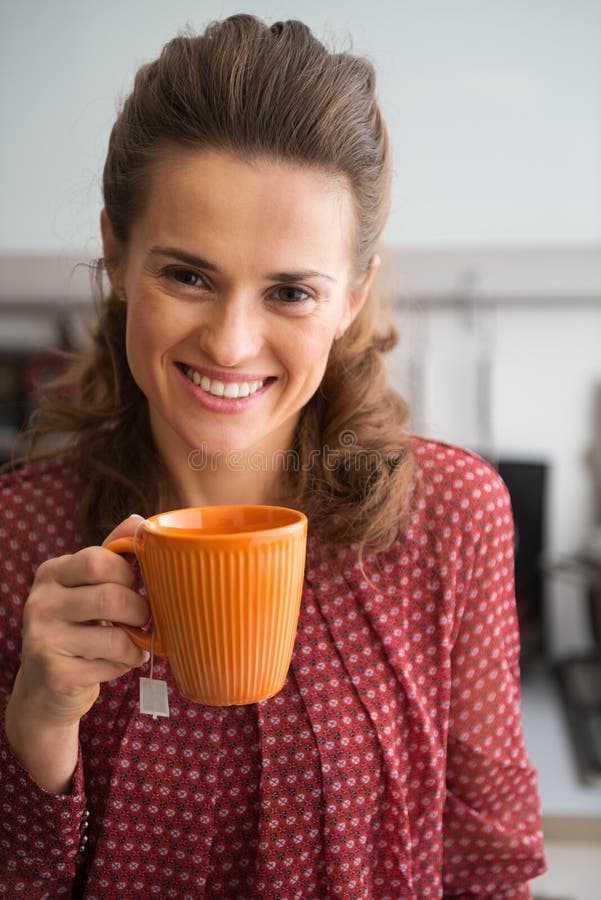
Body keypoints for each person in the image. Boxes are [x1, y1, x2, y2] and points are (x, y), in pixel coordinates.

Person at [0, 13, 546, 898]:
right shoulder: (22, 536)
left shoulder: (451, 514)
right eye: (187, 275)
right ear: (115, 254)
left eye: (290, 291)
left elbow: (485, 866)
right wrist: (38, 724)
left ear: (350, 298)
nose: (230, 342)